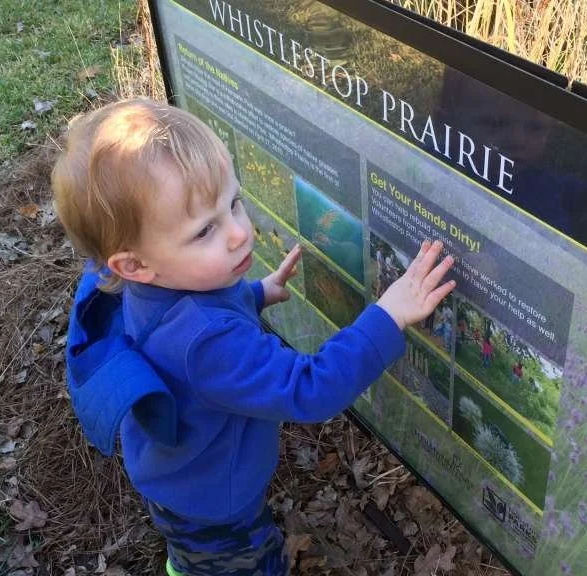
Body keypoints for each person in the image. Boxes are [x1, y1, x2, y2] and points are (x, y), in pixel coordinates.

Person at [51, 98, 456, 576]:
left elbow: (196, 315)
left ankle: (188, 562)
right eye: (205, 231)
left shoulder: (148, 286)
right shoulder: (207, 344)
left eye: (234, 203)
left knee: (195, 553)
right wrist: (388, 315)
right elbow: (310, 388)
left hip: (180, 478)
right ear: (135, 264)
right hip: (215, 508)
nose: (240, 233)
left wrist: (257, 293)